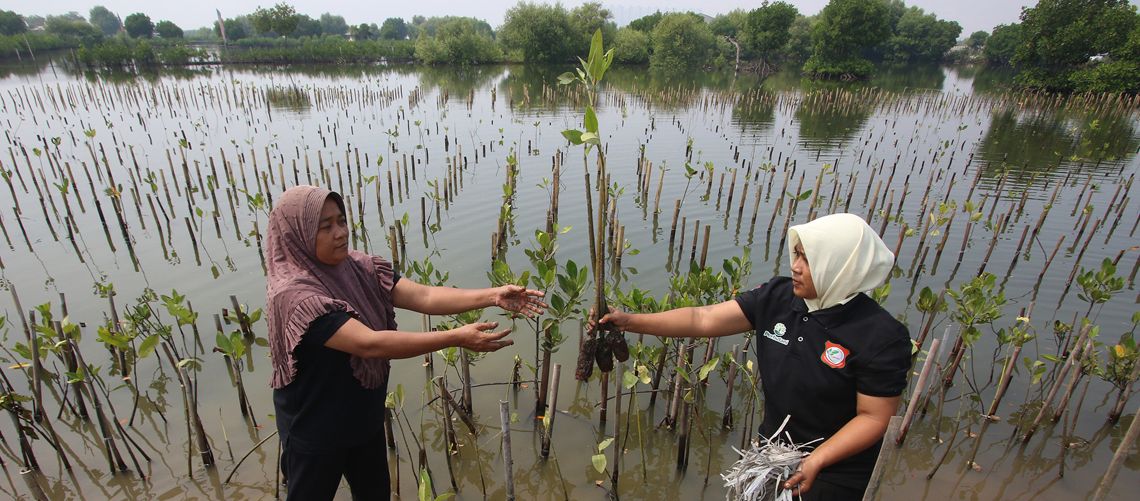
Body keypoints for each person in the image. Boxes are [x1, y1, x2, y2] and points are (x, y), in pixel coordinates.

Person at [597, 213, 911, 500]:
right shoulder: (777, 296)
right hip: (772, 453)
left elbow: (873, 417)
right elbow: (702, 318)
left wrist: (818, 458)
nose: (796, 265)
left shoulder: (880, 336)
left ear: (840, 266)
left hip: (836, 471)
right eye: (797, 254)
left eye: (808, 259)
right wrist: (630, 321)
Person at [265, 185, 545, 500]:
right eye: (325, 227)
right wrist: (456, 337)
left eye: (341, 221)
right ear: (297, 235)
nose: (340, 233)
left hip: (363, 419)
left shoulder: (360, 268)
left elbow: (424, 295)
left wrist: (493, 295)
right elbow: (369, 344)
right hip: (315, 431)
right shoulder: (295, 296)